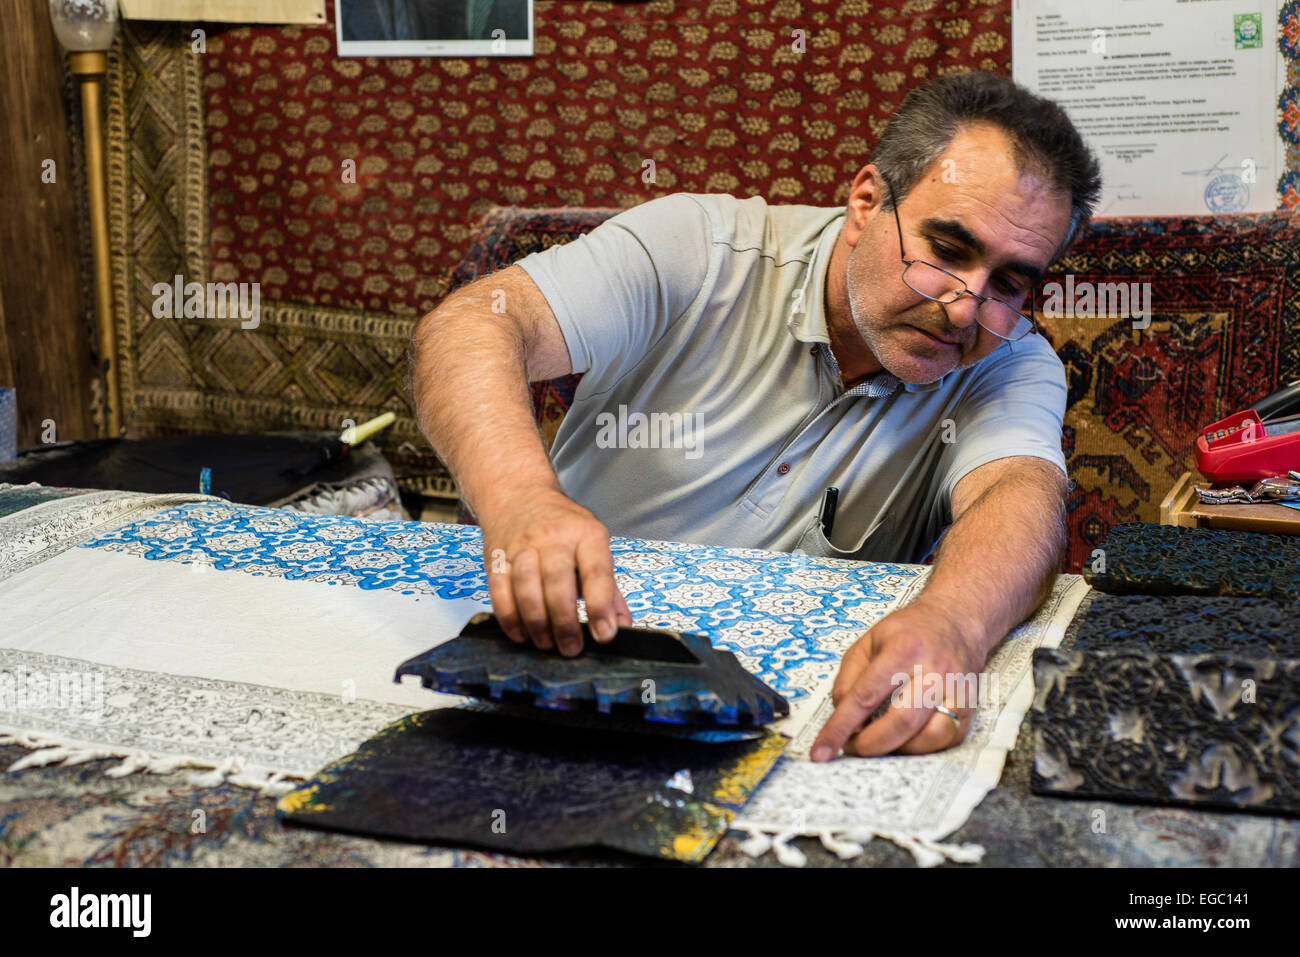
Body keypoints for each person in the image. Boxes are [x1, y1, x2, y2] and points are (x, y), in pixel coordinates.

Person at [409, 70, 1102, 758]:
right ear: (866, 200)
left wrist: (954, 623)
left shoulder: (1010, 361)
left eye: (1008, 283)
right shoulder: (701, 249)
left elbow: (1018, 494)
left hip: (784, 717)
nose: (962, 308)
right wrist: (523, 499)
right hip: (555, 653)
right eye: (947, 250)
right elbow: (470, 325)